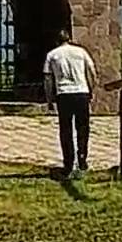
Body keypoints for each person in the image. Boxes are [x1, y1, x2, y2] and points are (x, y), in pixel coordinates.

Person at [42, 28, 96, 178]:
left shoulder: (52, 55)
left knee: (66, 130)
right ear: (69, 39)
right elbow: (91, 71)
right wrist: (91, 89)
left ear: (56, 41)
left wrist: (49, 98)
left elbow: (48, 78)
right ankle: (82, 159)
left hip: (64, 94)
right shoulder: (81, 52)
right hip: (81, 92)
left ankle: (68, 163)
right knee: (83, 128)